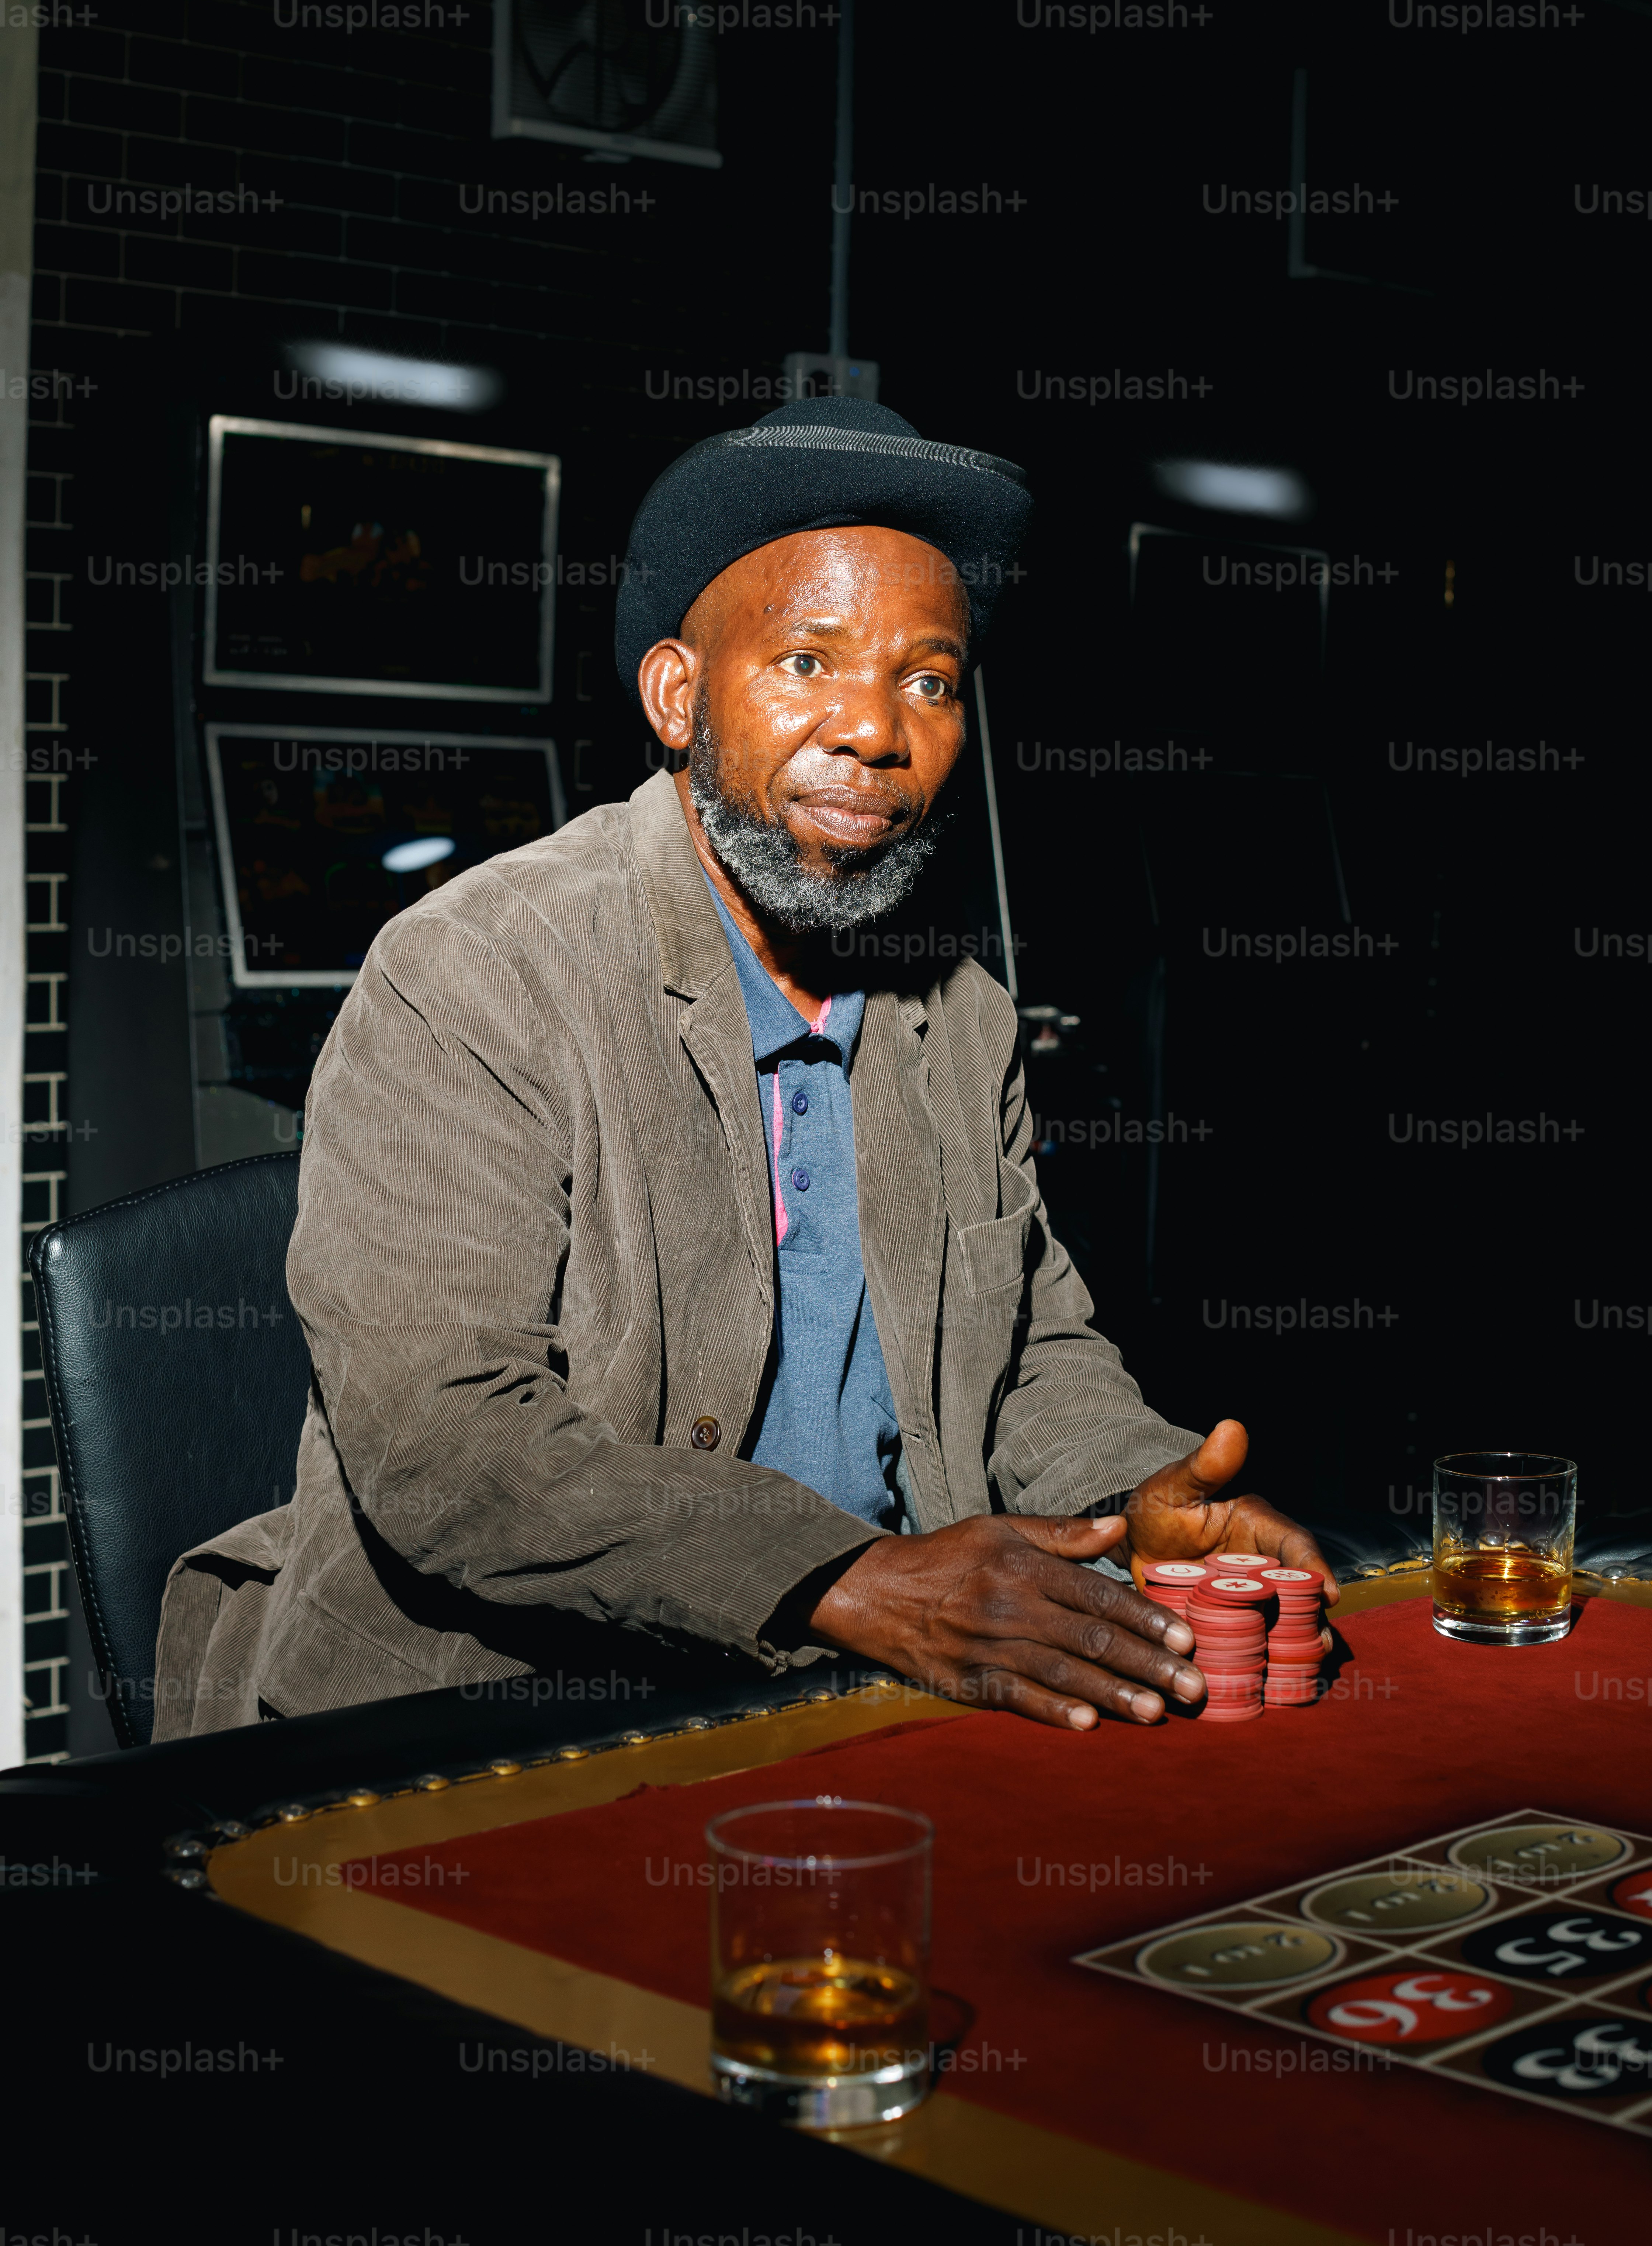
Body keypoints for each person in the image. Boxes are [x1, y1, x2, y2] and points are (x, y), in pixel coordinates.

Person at [153, 397, 1335, 1739]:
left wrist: (1142, 1492)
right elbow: (448, 1447)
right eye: (807, 663)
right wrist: (842, 1576)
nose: (874, 731)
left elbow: (1027, 1359)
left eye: (929, 680)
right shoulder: (475, 969)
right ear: (678, 694)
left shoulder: (967, 1015)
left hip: (859, 1696)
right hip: (480, 1720)